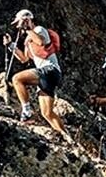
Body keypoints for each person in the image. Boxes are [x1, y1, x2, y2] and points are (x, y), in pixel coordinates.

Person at [6, 10, 69, 138]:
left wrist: (28, 28)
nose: (18, 26)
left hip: (49, 70)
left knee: (17, 79)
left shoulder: (40, 30)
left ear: (25, 20)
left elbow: (40, 42)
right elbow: (24, 59)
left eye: (18, 23)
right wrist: (10, 45)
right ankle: (67, 137)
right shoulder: (28, 40)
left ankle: (27, 111)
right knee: (47, 113)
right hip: (50, 75)